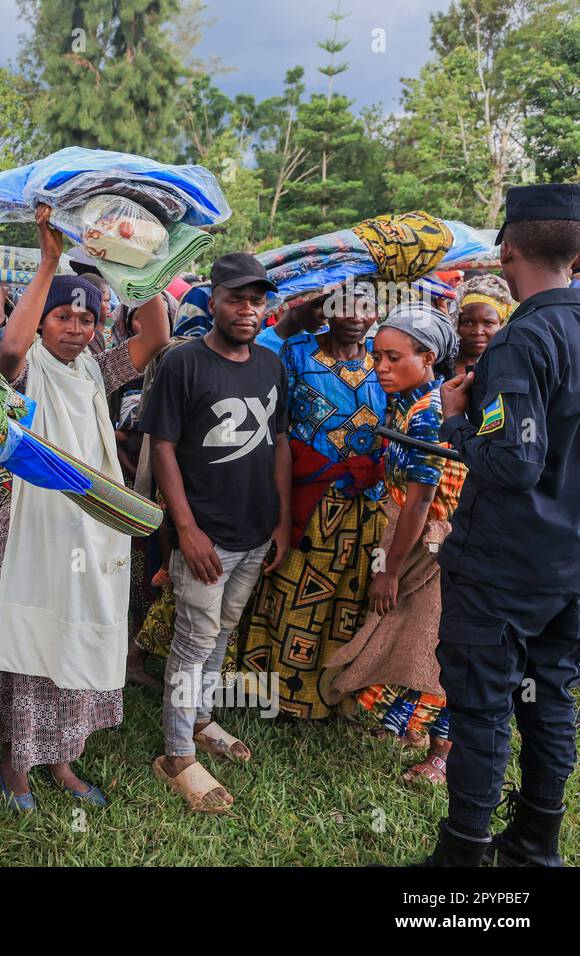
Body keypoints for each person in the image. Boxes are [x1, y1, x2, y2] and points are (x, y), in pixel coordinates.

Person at [0, 204, 170, 811]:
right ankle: (16, 767)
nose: (76, 326)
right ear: (43, 321)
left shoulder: (92, 370)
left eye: (86, 316)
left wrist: (138, 261)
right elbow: (7, 349)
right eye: (63, 315)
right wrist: (51, 259)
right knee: (29, 638)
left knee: (75, 637)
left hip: (90, 530)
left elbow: (155, 336)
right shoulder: (24, 376)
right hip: (32, 529)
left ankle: (62, 760)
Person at [420, 184, 580, 867]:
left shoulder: (524, 338)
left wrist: (456, 421)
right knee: (549, 698)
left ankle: (464, 860)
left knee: (483, 709)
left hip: (506, 565)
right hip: (569, 567)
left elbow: (513, 461)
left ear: (508, 249)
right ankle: (534, 845)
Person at [140, 253, 291, 813]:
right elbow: (162, 449)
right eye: (236, 298)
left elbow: (278, 444)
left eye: (257, 300)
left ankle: (201, 720)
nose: (247, 309)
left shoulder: (271, 366)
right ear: (214, 299)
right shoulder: (184, 364)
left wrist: (280, 520)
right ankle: (176, 754)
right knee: (192, 642)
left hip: (254, 532)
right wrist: (186, 530)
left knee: (222, 632)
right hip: (205, 535)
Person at [325, 304, 466, 787]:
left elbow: (422, 502)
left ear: (428, 358)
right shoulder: (412, 402)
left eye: (392, 357)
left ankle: (443, 754)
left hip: (429, 545)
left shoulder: (430, 415)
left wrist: (390, 570)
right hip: (407, 535)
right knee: (409, 635)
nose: (380, 367)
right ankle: (411, 731)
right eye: (376, 356)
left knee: (429, 644)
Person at [239, 281, 387, 719]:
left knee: (352, 595)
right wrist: (288, 321)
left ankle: (336, 695)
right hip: (311, 495)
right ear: (326, 309)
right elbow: (258, 362)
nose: (356, 315)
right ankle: (277, 695)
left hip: (368, 499)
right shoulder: (296, 351)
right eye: (344, 305)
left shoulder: (385, 354)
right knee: (293, 591)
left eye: (366, 305)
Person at [452, 273, 513, 377]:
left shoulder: (509, 369)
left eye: (488, 323)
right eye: (467, 322)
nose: (477, 331)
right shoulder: (438, 367)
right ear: (456, 322)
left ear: (501, 325)